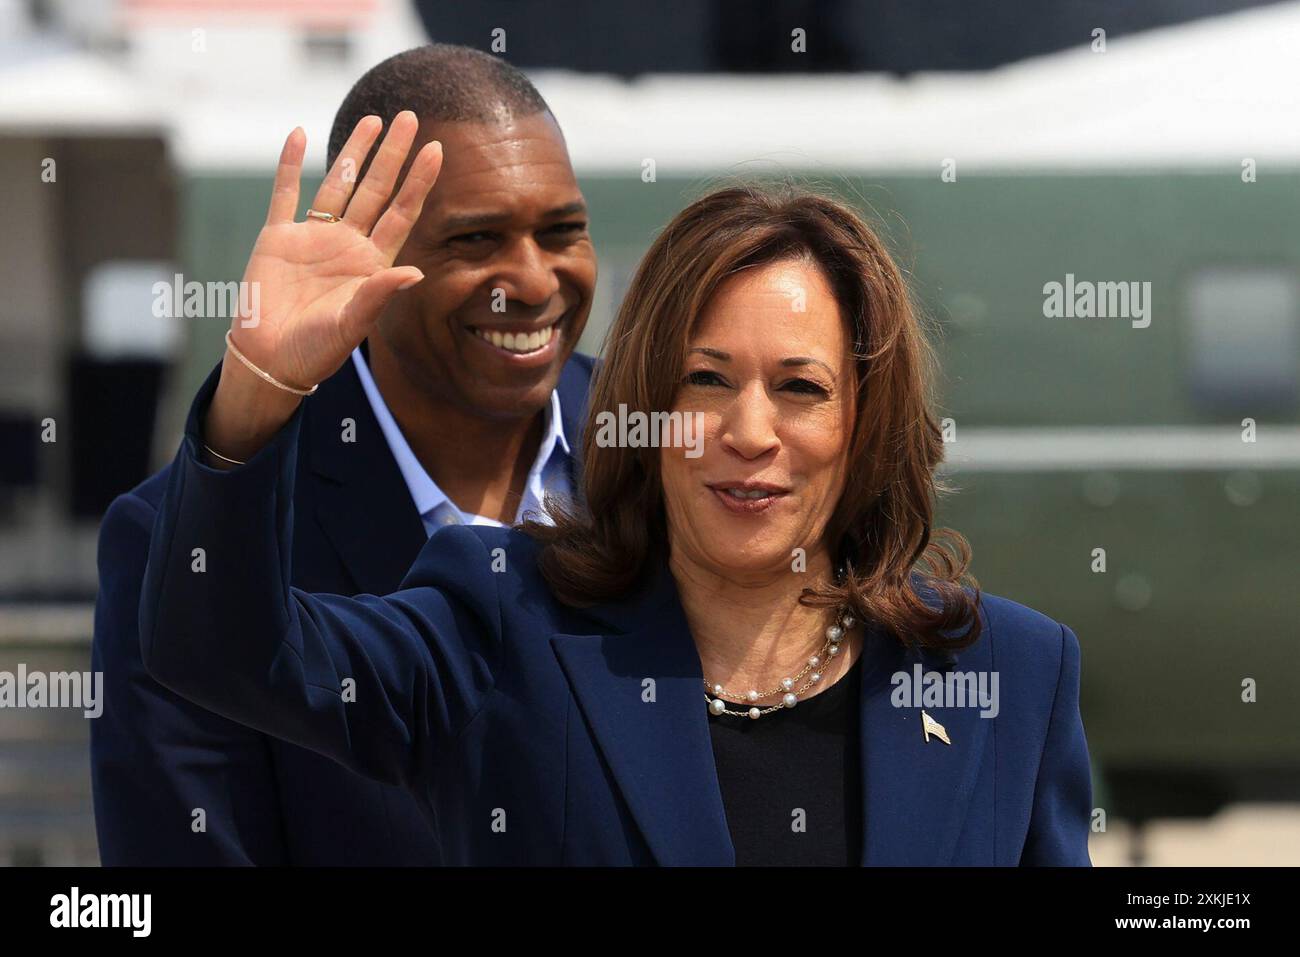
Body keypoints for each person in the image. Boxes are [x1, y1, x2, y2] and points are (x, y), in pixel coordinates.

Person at [137, 118, 1093, 863]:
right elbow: (221, 653)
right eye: (706, 379)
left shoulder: (1008, 673)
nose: (749, 433)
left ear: (865, 424)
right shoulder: (503, 623)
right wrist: (259, 391)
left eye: (800, 388)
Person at [90, 45, 597, 865]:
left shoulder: (684, 463)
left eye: (562, 230)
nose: (534, 280)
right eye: (477, 239)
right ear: (370, 251)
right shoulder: (179, 547)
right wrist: (255, 387)